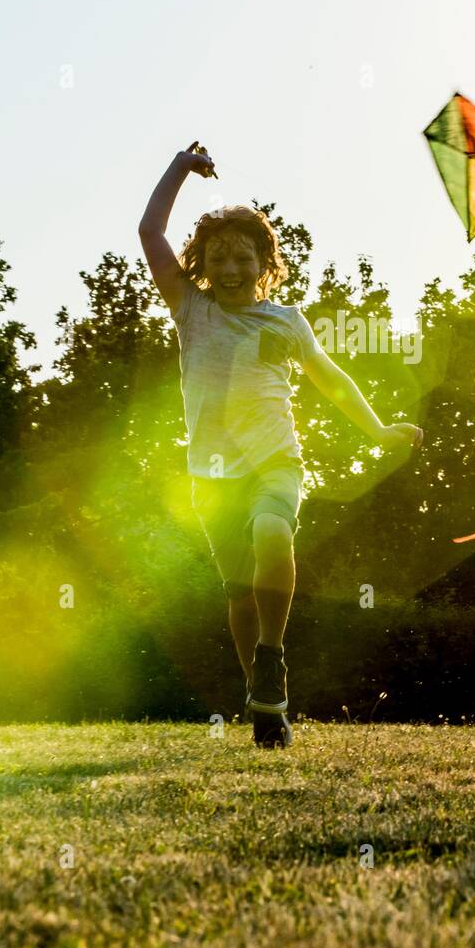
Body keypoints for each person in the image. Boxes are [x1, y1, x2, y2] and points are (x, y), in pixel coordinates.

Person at [139, 141, 423, 747]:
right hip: (211, 473)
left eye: (244, 256)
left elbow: (331, 380)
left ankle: (272, 655)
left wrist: (377, 431)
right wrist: (180, 167)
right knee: (239, 594)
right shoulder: (192, 310)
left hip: (276, 460)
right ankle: (264, 700)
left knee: (273, 534)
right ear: (203, 266)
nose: (232, 268)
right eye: (219, 258)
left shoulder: (286, 321)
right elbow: (149, 228)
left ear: (264, 261)